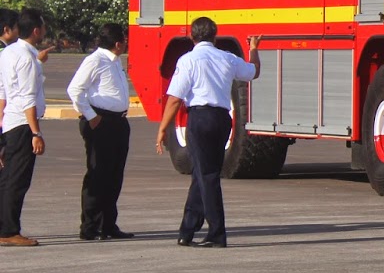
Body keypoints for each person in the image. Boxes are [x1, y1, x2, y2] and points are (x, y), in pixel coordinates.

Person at [156, 18, 262, 248]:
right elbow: (253, 72)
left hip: (200, 119)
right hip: (222, 119)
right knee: (203, 173)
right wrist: (253, 49)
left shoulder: (188, 60)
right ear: (215, 36)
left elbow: (175, 98)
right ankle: (188, 228)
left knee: (207, 176)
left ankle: (216, 232)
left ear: (192, 37)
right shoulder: (227, 57)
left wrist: (163, 128)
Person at [68, 23, 136, 241]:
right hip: (101, 121)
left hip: (117, 122)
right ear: (117, 43)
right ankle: (90, 227)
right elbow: (74, 89)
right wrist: (90, 115)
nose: (126, 43)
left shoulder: (114, 61)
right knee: (98, 175)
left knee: (114, 175)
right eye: (124, 40)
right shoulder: (95, 60)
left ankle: (108, 224)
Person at [0, 9, 48, 246]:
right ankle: (9, 231)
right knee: (17, 180)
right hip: (22, 124)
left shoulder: (9, 52)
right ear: (36, 31)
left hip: (10, 121)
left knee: (7, 178)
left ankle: (5, 227)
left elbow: (3, 90)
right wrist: (36, 133)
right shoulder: (27, 58)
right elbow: (28, 97)